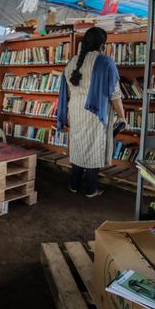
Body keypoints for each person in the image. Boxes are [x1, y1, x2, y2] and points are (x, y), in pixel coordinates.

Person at [57, 27, 125, 198]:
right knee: (94, 149)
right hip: (94, 110)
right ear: (103, 44)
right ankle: (90, 189)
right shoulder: (105, 61)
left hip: (75, 109)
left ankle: (73, 185)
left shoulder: (72, 61)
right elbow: (114, 94)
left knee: (79, 146)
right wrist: (122, 115)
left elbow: (69, 90)